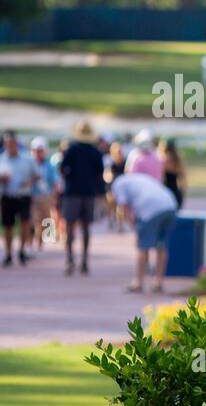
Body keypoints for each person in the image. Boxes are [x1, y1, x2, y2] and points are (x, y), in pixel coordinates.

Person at [111, 172, 178, 292]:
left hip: (150, 209)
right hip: (170, 204)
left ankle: (138, 282)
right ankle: (158, 281)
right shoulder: (138, 178)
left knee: (143, 246)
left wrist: (134, 226)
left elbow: (124, 207)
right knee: (162, 245)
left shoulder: (117, 184)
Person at [60, 120, 106, 275]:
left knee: (69, 227)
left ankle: (70, 258)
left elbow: (63, 168)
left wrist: (69, 178)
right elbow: (100, 174)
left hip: (72, 192)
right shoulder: (95, 151)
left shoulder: (71, 149)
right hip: (88, 192)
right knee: (86, 227)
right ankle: (84, 259)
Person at [0, 131, 39, 267]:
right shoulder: (2, 159)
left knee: (29, 222)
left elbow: (38, 176)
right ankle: (9, 253)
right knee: (8, 226)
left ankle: (27, 248)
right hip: (8, 196)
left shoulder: (27, 159)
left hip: (26, 196)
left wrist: (29, 182)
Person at [28, 137, 60, 251]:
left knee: (45, 220)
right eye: (37, 150)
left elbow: (55, 180)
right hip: (32, 196)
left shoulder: (49, 165)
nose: (38, 153)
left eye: (40, 150)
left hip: (46, 196)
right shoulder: (29, 164)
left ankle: (42, 243)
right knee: (31, 220)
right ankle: (30, 243)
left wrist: (55, 195)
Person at [160, 138, 186, 209]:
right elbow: (183, 180)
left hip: (165, 192)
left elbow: (160, 178)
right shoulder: (178, 160)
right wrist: (182, 193)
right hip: (175, 192)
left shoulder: (162, 159)